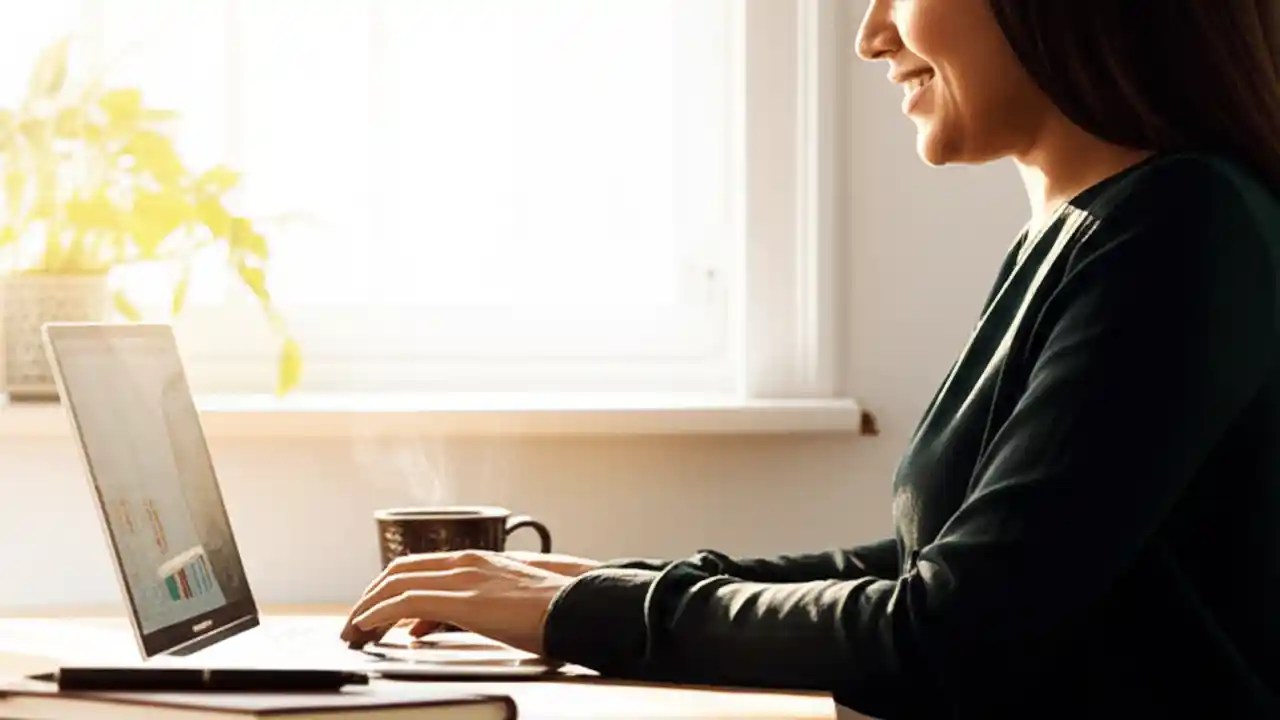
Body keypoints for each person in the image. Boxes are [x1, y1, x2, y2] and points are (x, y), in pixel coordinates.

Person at [342, 1, 1280, 716]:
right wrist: (598, 585)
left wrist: (597, 612)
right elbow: (941, 565)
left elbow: (949, 629)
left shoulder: (1184, 229)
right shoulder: (1094, 229)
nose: (872, 35)